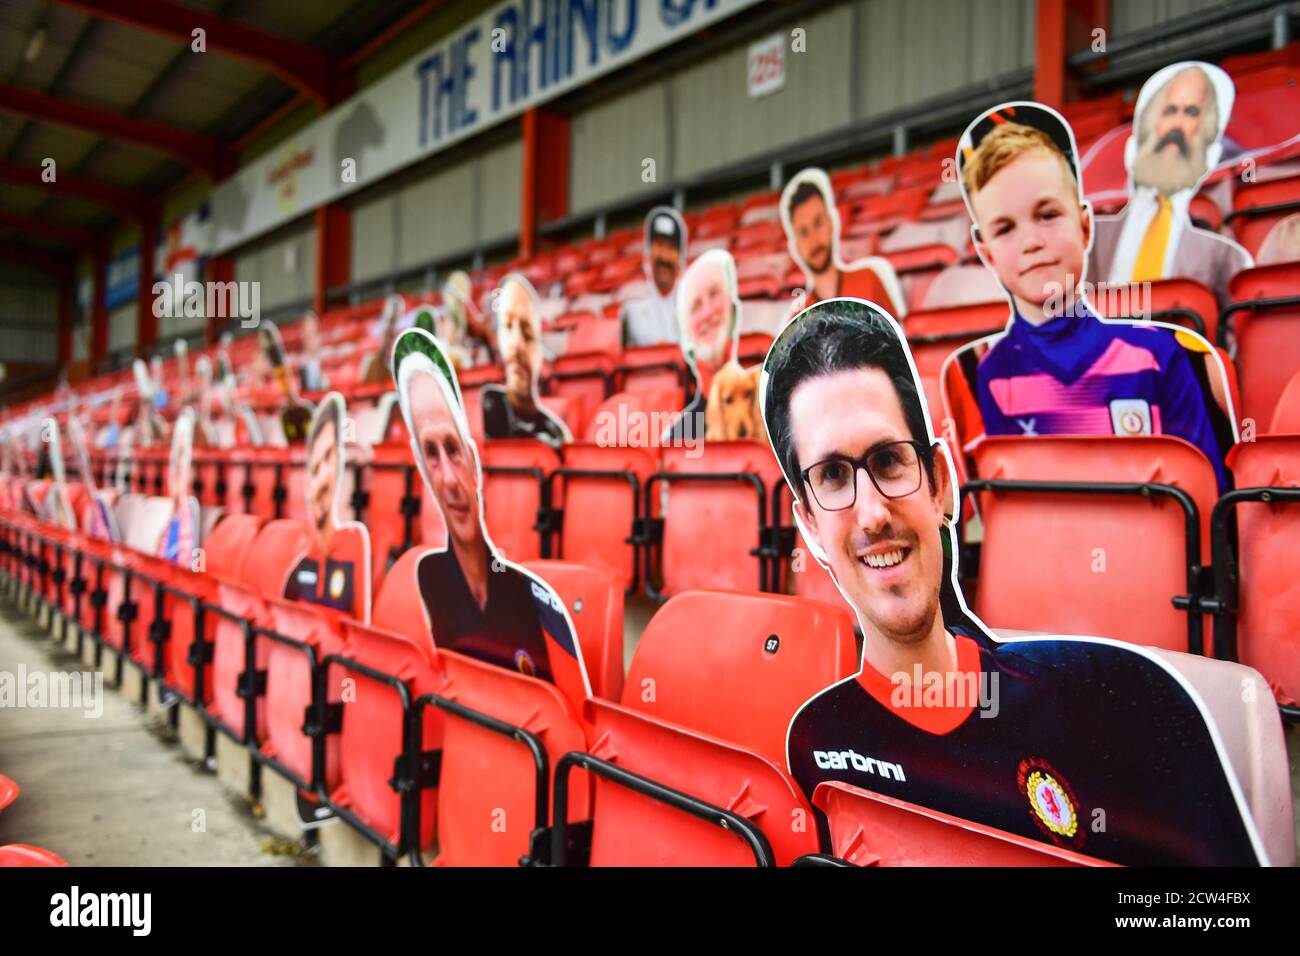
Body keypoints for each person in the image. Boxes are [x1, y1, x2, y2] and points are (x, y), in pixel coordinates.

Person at [764, 298, 1273, 866]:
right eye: (833, 476)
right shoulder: (807, 747)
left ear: (938, 485)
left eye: (888, 462)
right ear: (808, 522)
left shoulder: (1119, 696)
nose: (873, 513)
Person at [953, 102, 1232, 489]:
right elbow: (1015, 513)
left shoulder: (1158, 354)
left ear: (1085, 226)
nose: (1032, 242)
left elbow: (1203, 504)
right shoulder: (993, 373)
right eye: (1005, 229)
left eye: (1047, 214)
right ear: (986, 254)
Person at [393, 327, 588, 705]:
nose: (449, 479)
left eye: (453, 450)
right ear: (421, 469)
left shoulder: (537, 603)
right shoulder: (427, 579)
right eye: (432, 455)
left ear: (474, 464)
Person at [1089, 62, 1252, 307]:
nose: (1176, 124)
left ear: (1207, 128)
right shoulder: (1093, 239)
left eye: (1191, 112)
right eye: (1169, 110)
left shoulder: (1224, 253)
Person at [282, 393, 371, 621]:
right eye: (315, 466)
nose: (321, 478)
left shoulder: (354, 542)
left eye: (329, 457)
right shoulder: (295, 558)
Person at [781, 168, 906, 318]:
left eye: (818, 223)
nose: (814, 239)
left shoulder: (868, 280)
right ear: (796, 246)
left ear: (831, 223)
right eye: (803, 232)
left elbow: (898, 338)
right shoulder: (799, 319)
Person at [480, 274, 570, 449]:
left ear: (540, 351)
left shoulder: (557, 434)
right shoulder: (486, 405)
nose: (516, 344)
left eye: (528, 333)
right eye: (507, 326)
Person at [621, 206, 687, 347]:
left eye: (671, 248)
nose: (664, 256)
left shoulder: (692, 305)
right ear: (648, 251)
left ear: (680, 257)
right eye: (659, 245)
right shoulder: (632, 310)